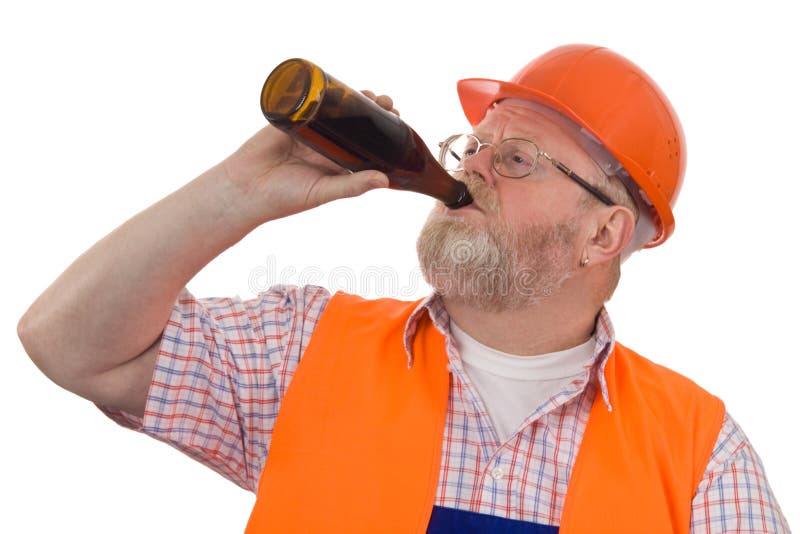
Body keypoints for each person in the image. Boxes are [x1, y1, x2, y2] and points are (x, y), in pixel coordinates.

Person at [17, 44, 790, 533]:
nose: (470, 167)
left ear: (603, 235)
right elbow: (69, 344)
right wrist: (239, 192)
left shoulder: (699, 457)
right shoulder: (304, 350)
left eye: (516, 159)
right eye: (475, 146)